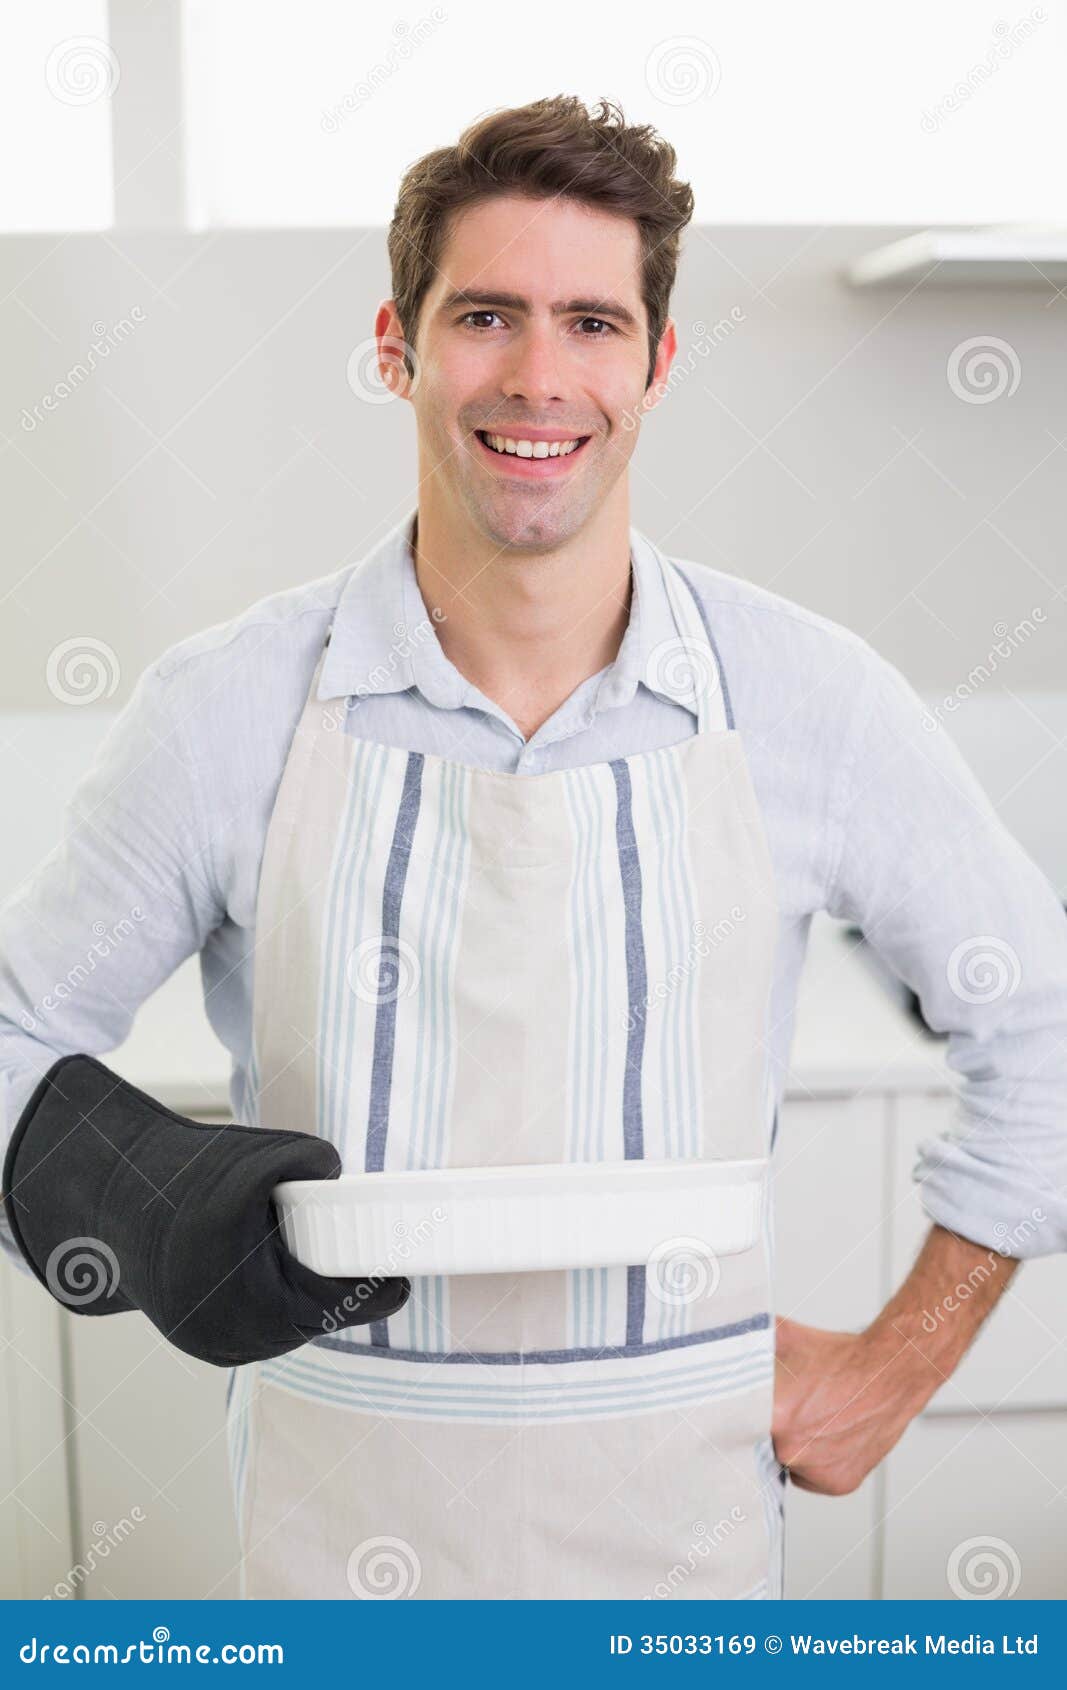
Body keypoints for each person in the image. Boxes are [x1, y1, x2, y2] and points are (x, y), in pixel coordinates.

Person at [2, 96, 1065, 1601]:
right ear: (399, 346)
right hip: (336, 1567)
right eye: (487, 315)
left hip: (682, 1578)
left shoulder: (805, 702)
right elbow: (13, 1035)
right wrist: (134, 1184)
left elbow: (1045, 1025)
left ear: (658, 363)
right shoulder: (226, 710)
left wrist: (902, 1358)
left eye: (592, 321)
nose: (540, 376)